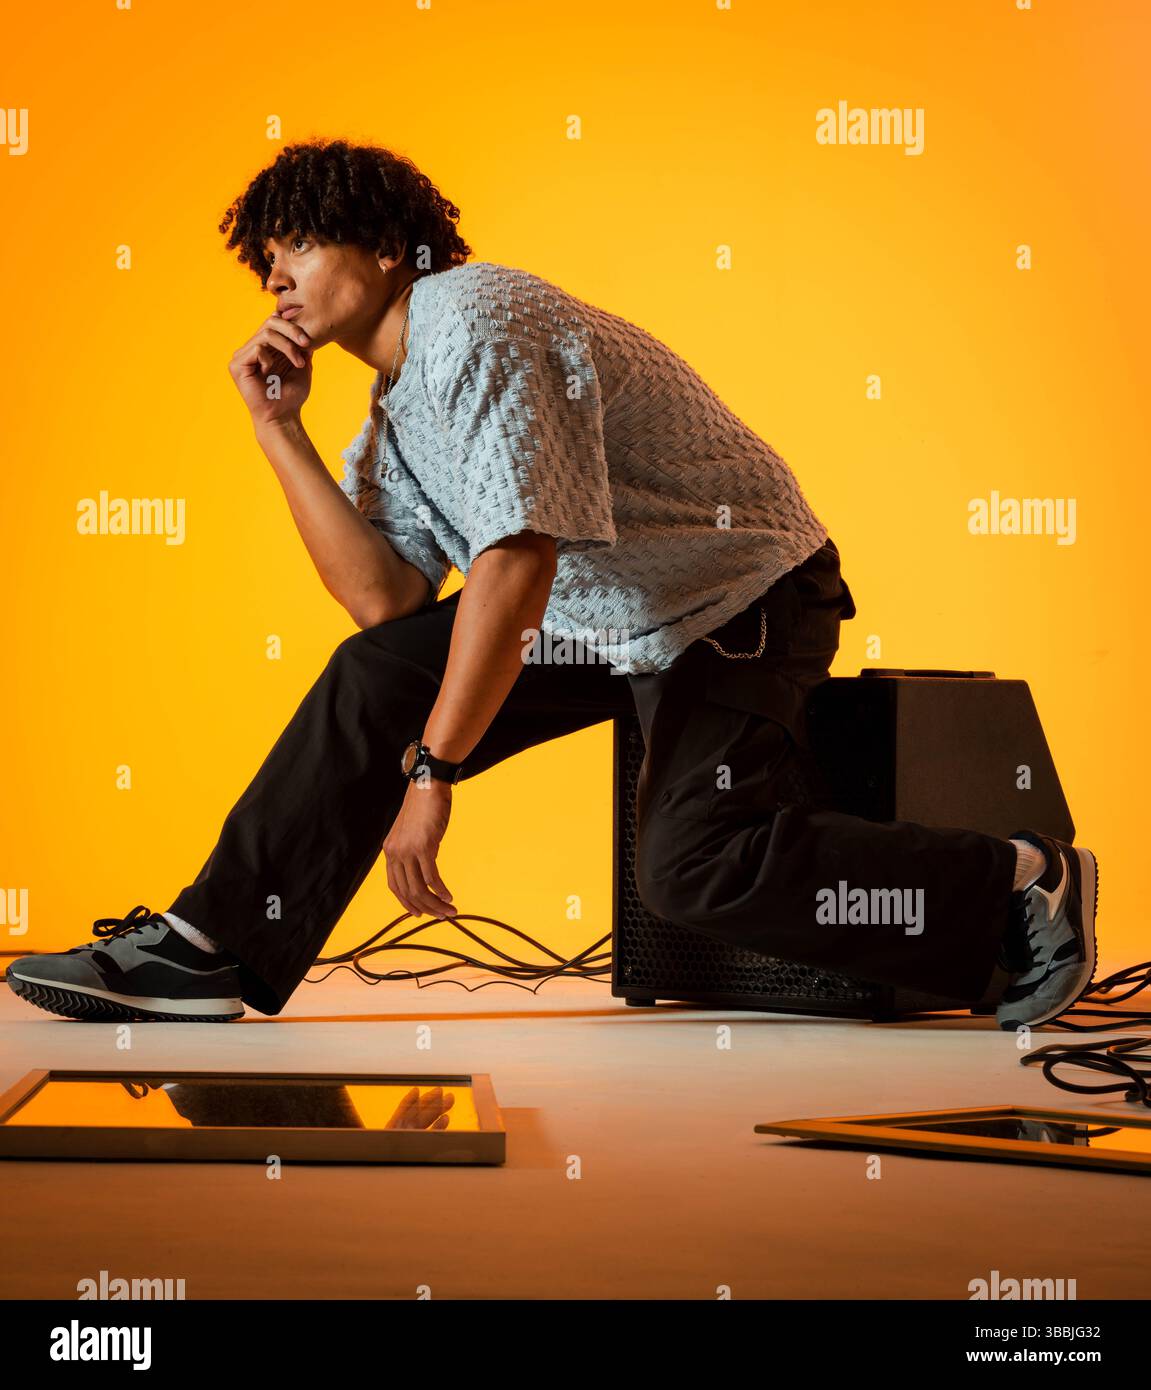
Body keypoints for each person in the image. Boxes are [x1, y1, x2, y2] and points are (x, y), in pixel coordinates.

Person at [6, 139, 1097, 1032]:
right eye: (265, 261)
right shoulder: (392, 406)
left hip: (733, 598)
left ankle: (1017, 877)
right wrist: (276, 430)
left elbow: (516, 561)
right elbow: (387, 603)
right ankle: (209, 948)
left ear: (388, 247)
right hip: (603, 620)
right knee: (374, 670)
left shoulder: (476, 319)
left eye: (297, 241)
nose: (276, 275)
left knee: (690, 871)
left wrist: (433, 773)